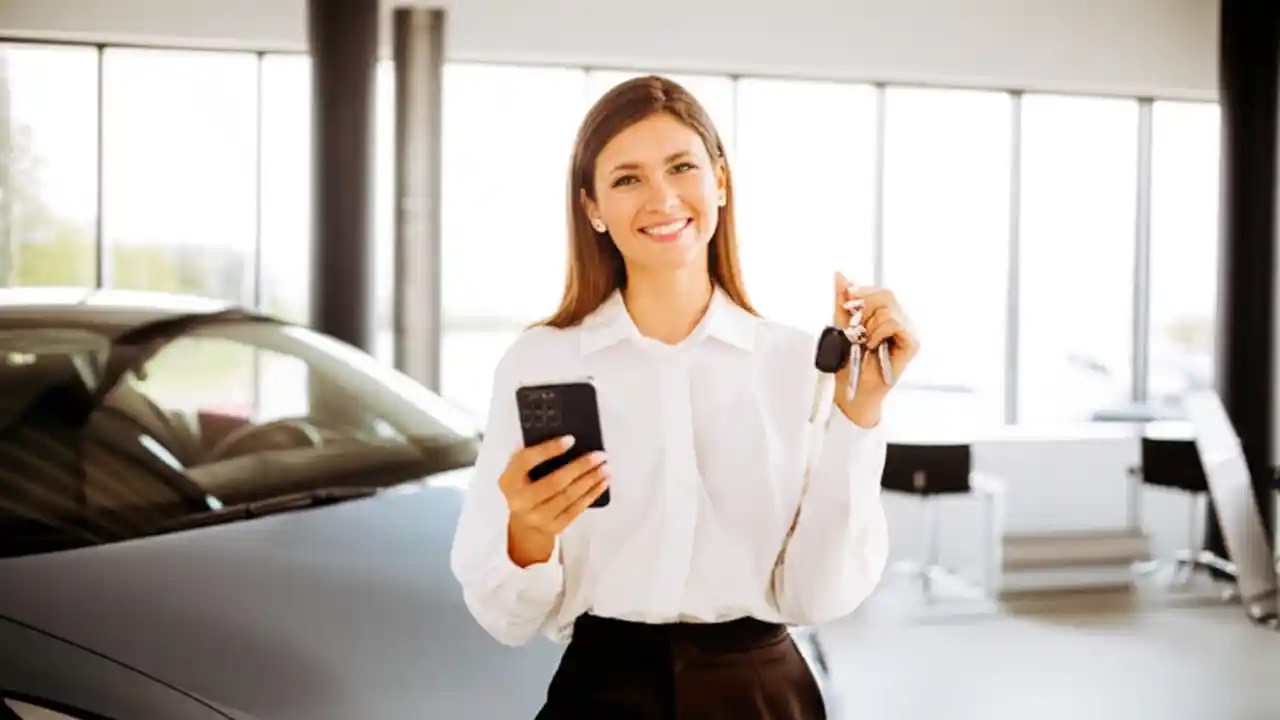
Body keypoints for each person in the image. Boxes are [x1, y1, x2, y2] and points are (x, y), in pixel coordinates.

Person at [450, 75, 919, 719]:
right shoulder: (541, 362)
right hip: (601, 694)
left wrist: (859, 417)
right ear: (592, 208)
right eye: (627, 179)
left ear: (720, 182)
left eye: (681, 167)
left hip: (759, 694)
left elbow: (817, 594)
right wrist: (528, 533)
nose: (662, 198)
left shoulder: (794, 363)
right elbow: (504, 617)